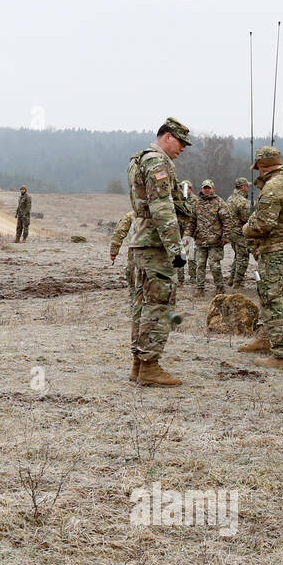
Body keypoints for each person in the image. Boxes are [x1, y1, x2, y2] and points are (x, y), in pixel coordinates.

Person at [125, 117, 192, 385]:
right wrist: (176, 250)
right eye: (181, 143)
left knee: (141, 304)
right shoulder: (157, 162)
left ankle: (138, 365)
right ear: (167, 137)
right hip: (155, 245)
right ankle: (150, 366)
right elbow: (162, 208)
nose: (183, 149)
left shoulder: (139, 159)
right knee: (159, 304)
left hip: (141, 241)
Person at [239, 146, 283, 369]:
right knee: (281, 299)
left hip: (274, 251)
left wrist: (246, 228)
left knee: (270, 301)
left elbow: (263, 224)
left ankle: (280, 355)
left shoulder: (273, 187)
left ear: (261, 165)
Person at [190, 179, 231, 294]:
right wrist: (188, 235)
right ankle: (200, 289)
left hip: (215, 240)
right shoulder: (197, 203)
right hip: (200, 240)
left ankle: (219, 287)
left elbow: (227, 221)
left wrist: (225, 237)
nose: (207, 190)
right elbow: (192, 221)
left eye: (209, 188)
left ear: (213, 189)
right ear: (202, 189)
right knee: (200, 265)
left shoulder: (219, 203)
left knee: (214, 265)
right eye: (205, 188)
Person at [227, 178, 252, 288]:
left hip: (231, 233)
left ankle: (231, 280)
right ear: (243, 187)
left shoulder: (230, 198)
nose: (248, 188)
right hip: (239, 233)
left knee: (237, 256)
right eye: (247, 186)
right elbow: (245, 218)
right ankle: (237, 283)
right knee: (243, 257)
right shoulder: (242, 201)